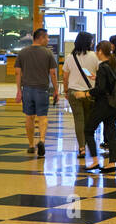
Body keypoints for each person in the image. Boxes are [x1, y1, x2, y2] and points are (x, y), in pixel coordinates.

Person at [13, 28, 58, 158]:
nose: (48, 40)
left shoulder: (23, 52)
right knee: (42, 117)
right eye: (47, 37)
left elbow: (17, 72)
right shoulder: (48, 53)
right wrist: (55, 90)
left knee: (29, 117)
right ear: (41, 38)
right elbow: (53, 73)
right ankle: (42, 140)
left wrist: (18, 90)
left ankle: (31, 145)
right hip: (42, 89)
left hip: (27, 89)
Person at [86, 40, 116, 171]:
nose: (96, 53)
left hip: (103, 105)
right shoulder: (113, 65)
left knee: (88, 130)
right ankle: (112, 163)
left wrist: (86, 94)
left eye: (97, 50)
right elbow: (110, 83)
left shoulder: (102, 67)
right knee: (111, 132)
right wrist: (98, 78)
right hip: (114, 104)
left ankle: (95, 160)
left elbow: (100, 89)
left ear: (100, 51)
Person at [63, 31, 98, 159]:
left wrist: (66, 91)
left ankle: (81, 148)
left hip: (73, 92)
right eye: (92, 40)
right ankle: (90, 145)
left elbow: (65, 76)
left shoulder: (69, 57)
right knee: (88, 120)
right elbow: (98, 74)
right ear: (88, 42)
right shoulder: (94, 56)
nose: (93, 43)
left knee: (78, 120)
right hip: (89, 93)